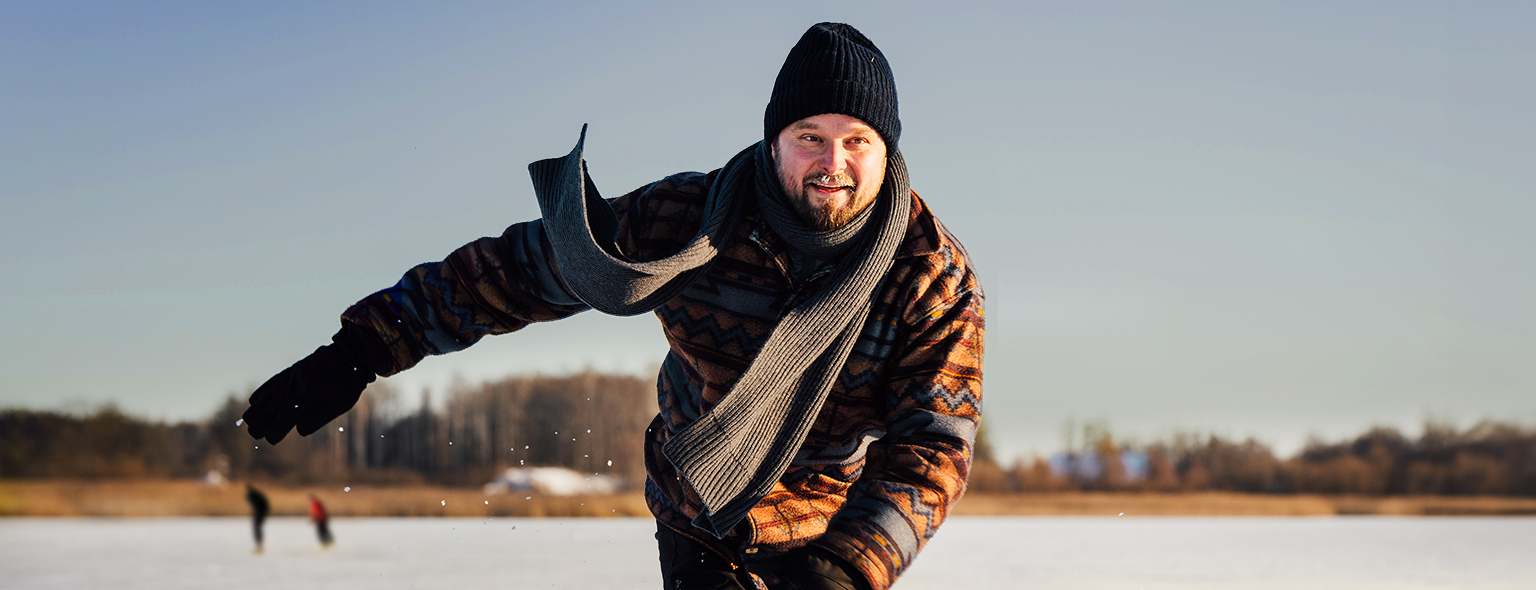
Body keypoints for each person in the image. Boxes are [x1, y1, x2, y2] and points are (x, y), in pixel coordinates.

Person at [241, 22, 983, 590]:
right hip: (695, 511)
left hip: (831, 530)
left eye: (857, 141)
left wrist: (848, 568)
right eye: (810, 137)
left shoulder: (930, 277)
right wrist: (362, 349)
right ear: (772, 142)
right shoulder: (691, 220)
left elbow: (931, 447)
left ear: (887, 149)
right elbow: (513, 272)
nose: (833, 164)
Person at [246, 484, 269, 554]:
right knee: (258, 527)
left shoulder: (252, 496)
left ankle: (259, 545)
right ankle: (259, 545)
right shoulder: (257, 495)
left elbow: (258, 505)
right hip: (262, 512)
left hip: (260, 512)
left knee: (257, 527)